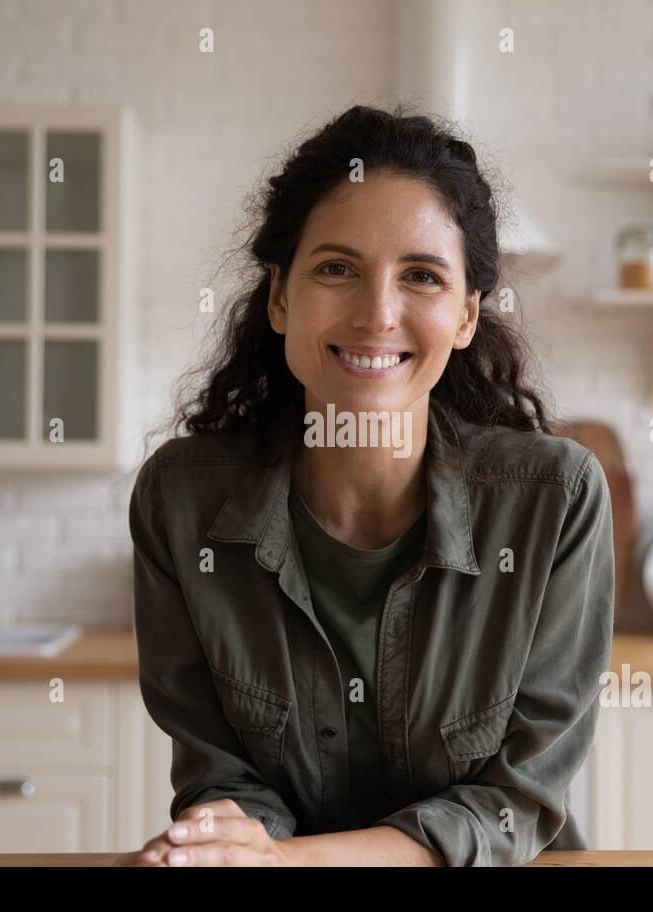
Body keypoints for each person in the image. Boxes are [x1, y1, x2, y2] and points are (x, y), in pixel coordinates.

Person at [114, 105, 614, 867]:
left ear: (467, 314)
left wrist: (287, 863)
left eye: (422, 276)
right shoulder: (179, 506)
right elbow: (224, 779)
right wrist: (213, 847)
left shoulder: (555, 501)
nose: (378, 314)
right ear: (280, 298)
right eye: (337, 269)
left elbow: (515, 807)